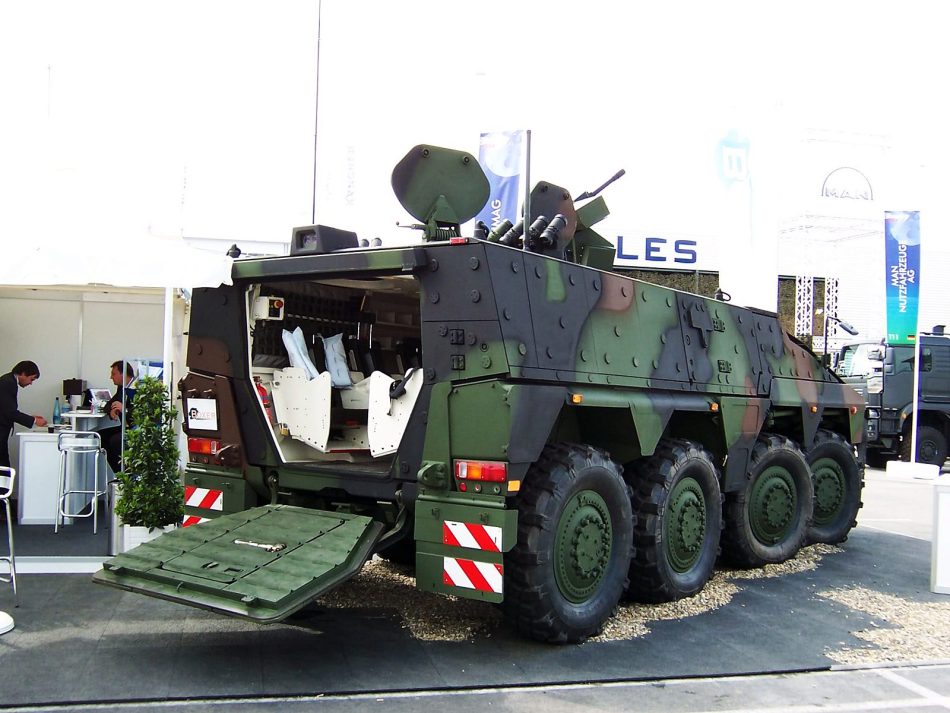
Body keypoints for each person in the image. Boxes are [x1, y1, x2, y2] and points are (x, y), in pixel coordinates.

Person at [0, 361, 48, 470]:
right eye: (31, 379)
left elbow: (6, 410)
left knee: (4, 467)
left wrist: (32, 418)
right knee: (3, 469)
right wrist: (34, 420)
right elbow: (10, 412)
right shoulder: (7, 383)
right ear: (22, 373)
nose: (30, 383)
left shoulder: (8, 381)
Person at [100, 361, 135, 474]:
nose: (111, 377)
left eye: (113, 374)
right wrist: (112, 410)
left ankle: (128, 473)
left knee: (115, 440)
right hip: (127, 426)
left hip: (137, 427)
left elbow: (142, 413)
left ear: (123, 374)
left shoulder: (137, 388)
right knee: (101, 437)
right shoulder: (122, 388)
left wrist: (124, 409)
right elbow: (110, 404)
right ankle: (118, 473)